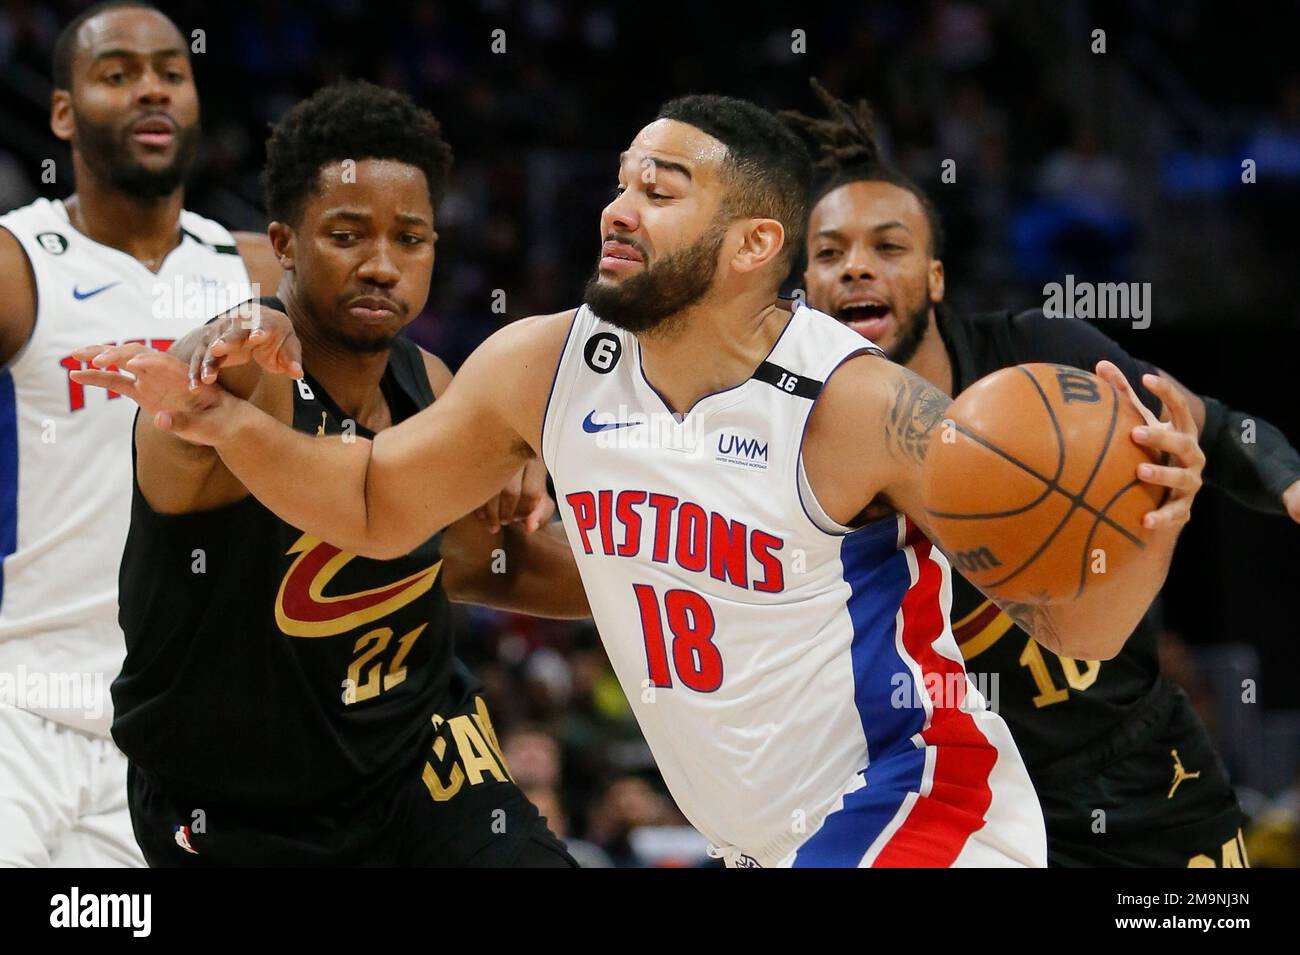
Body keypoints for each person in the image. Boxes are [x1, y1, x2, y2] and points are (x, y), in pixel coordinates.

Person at [77, 94, 1208, 868]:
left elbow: (1077, 630)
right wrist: (222, 421)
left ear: (755, 243)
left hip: (918, 810)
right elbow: (374, 505)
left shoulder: (859, 407)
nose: (617, 208)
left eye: (659, 191)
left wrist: (1149, 522)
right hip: (763, 843)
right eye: (620, 182)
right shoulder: (544, 362)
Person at [787, 81, 1300, 866]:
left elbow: (1221, 425)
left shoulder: (1044, 353)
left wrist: (1290, 482)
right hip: (948, 797)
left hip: (1133, 773)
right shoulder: (793, 434)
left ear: (934, 277)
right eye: (830, 253)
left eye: (888, 247)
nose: (857, 268)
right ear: (804, 289)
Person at [77, 79, 588, 866]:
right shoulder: (250, 375)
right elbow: (193, 389)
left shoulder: (434, 384)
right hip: (232, 801)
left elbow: (476, 560)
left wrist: (672, 575)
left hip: (415, 756)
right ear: (282, 244)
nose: (382, 265)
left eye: (410, 239)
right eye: (347, 235)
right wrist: (223, 334)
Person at [0, 0, 282, 866]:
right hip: (20, 705)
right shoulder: (20, 260)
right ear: (62, 112)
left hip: (177, 727)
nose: (150, 89)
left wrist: (510, 456)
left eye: (170, 71)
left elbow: (395, 387)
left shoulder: (256, 269)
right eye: (117, 73)